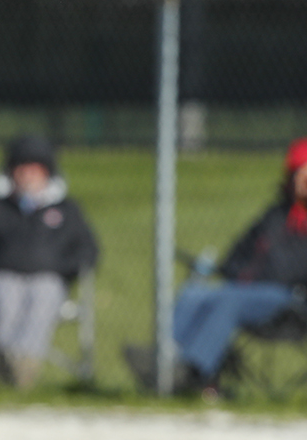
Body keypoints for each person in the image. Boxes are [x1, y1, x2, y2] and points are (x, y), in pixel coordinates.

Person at [130, 139, 307, 393]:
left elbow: (291, 269)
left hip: (290, 298)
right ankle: (166, 357)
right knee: (194, 292)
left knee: (228, 301)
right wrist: (228, 270)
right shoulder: (275, 215)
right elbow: (239, 252)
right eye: (299, 174)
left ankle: (195, 372)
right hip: (247, 292)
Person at [0, 135, 100, 389]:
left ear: (48, 172)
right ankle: (12, 363)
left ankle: (19, 368)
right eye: (21, 168)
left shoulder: (67, 211)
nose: (28, 176)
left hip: (49, 279)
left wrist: (58, 267)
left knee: (43, 296)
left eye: (35, 169)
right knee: (6, 296)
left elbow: (87, 251)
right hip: (1, 276)